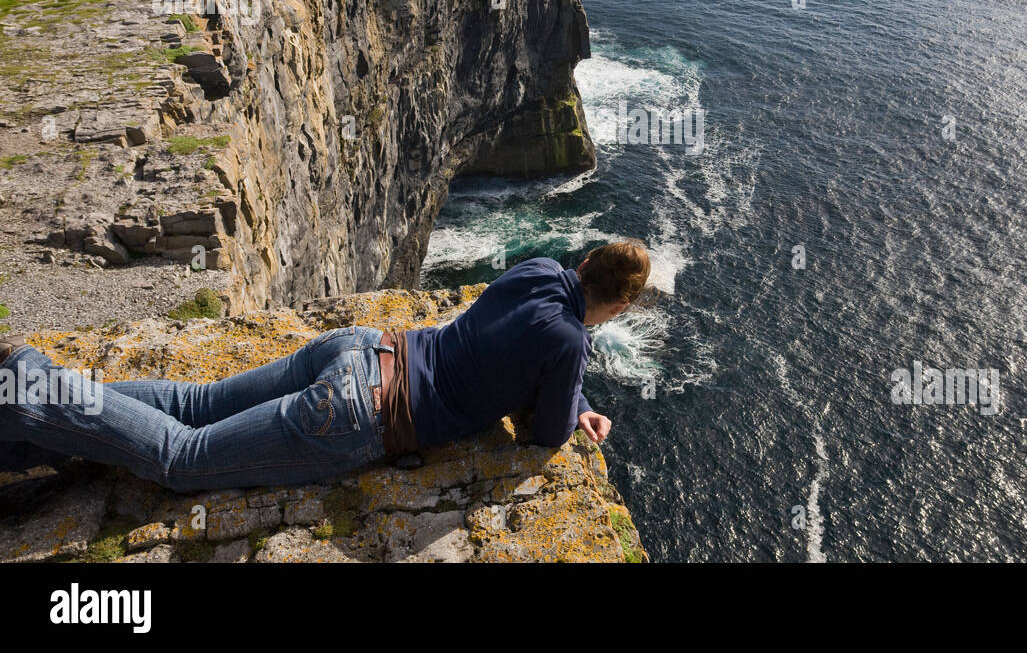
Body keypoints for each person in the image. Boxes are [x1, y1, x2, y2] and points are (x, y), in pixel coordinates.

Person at [0, 240, 651, 493]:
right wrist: (574, 408)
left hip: (364, 347)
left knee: (192, 403)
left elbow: (532, 344)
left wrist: (575, 391)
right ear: (618, 306)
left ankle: (21, 417)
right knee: (181, 459)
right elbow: (545, 434)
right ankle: (30, 385)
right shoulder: (571, 343)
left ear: (586, 260)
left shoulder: (541, 272)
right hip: (357, 415)